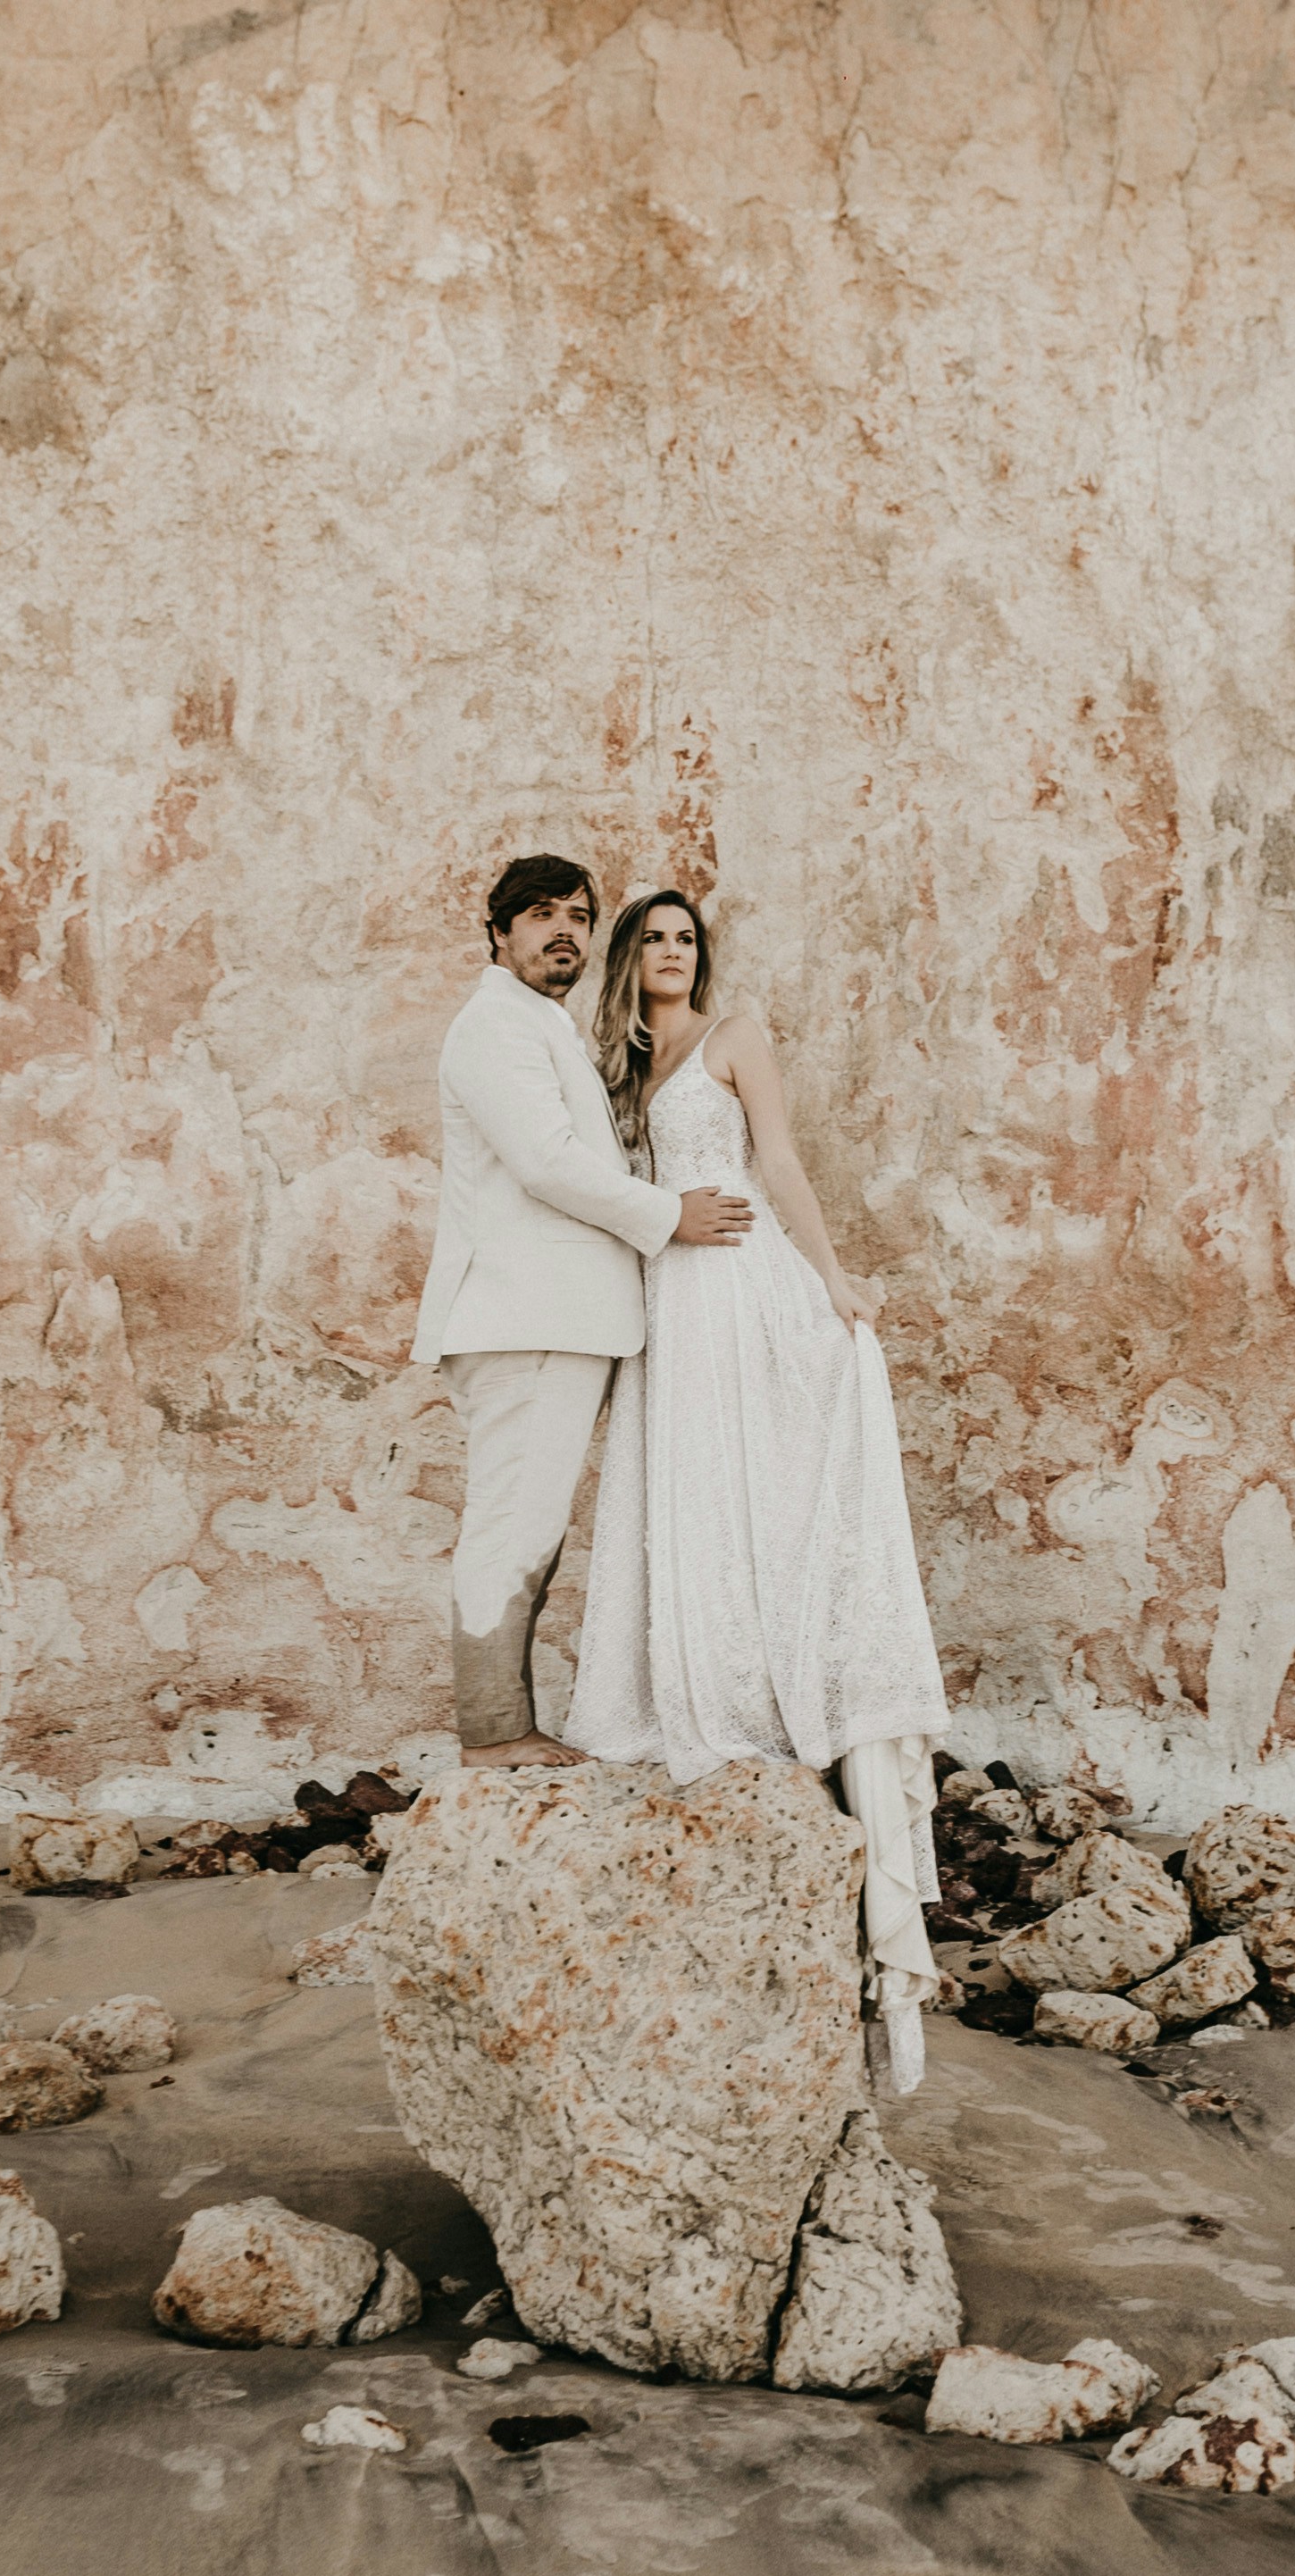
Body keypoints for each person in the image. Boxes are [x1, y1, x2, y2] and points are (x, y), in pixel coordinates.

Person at [563, 889, 955, 2089]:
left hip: (742, 1284)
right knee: (683, 1477)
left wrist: (836, 1277)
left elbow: (777, 1157)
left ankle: (780, 1682)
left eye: (687, 940)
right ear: (634, 958)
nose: (674, 954)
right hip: (668, 1299)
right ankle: (698, 1670)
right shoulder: (616, 1063)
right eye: (658, 940)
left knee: (766, 1471)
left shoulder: (734, 1039)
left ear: (700, 959)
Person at [413, 855, 753, 1768]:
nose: (561, 929)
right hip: (524, 1319)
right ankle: (492, 1733)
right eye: (537, 914)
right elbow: (547, 1161)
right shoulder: (493, 1026)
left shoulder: (541, 1025)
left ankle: (506, 1720)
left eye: (576, 914)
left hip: (555, 1321)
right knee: (511, 1523)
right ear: (497, 931)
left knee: (532, 1524)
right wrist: (667, 1217)